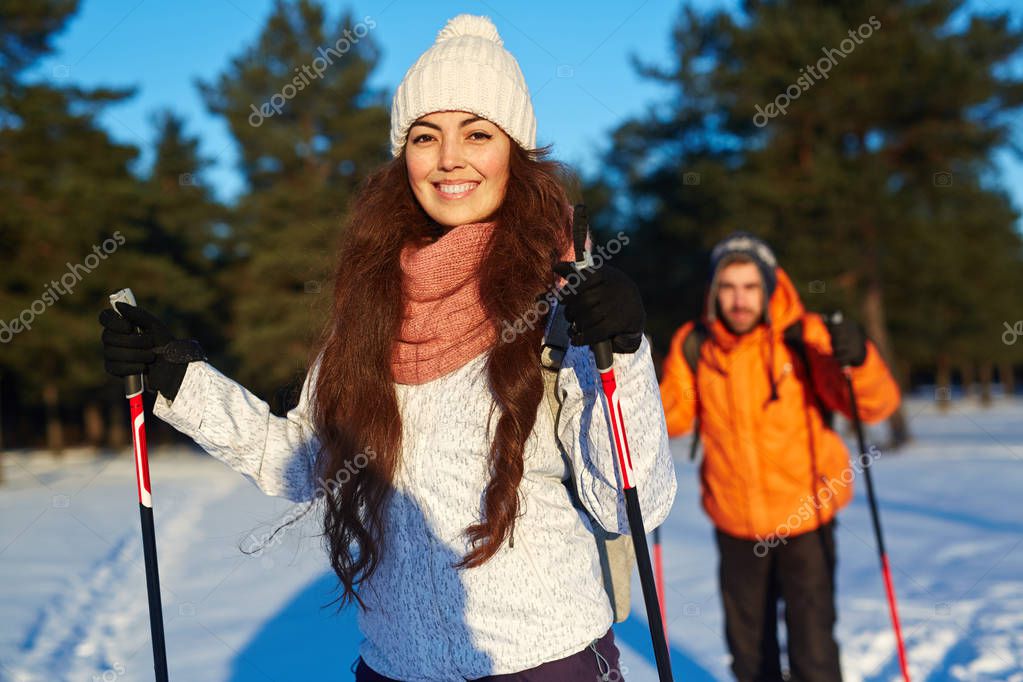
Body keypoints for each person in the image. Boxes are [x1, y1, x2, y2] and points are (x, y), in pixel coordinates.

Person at [99, 14, 677, 681]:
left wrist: (623, 353)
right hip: (393, 666)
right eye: (425, 136)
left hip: (543, 661)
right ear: (405, 157)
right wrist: (181, 381)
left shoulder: (561, 299)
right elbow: (304, 462)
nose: (449, 157)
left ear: (513, 152)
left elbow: (627, 501)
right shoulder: (372, 307)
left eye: (477, 133)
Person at [658, 232, 901, 682]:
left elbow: (874, 405)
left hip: (807, 518)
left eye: (750, 286)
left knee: (814, 653)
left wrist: (860, 358)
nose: (739, 299)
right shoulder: (696, 346)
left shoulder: (804, 336)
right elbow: (667, 420)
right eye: (728, 287)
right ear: (714, 292)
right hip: (735, 523)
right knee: (750, 658)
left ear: (770, 288)